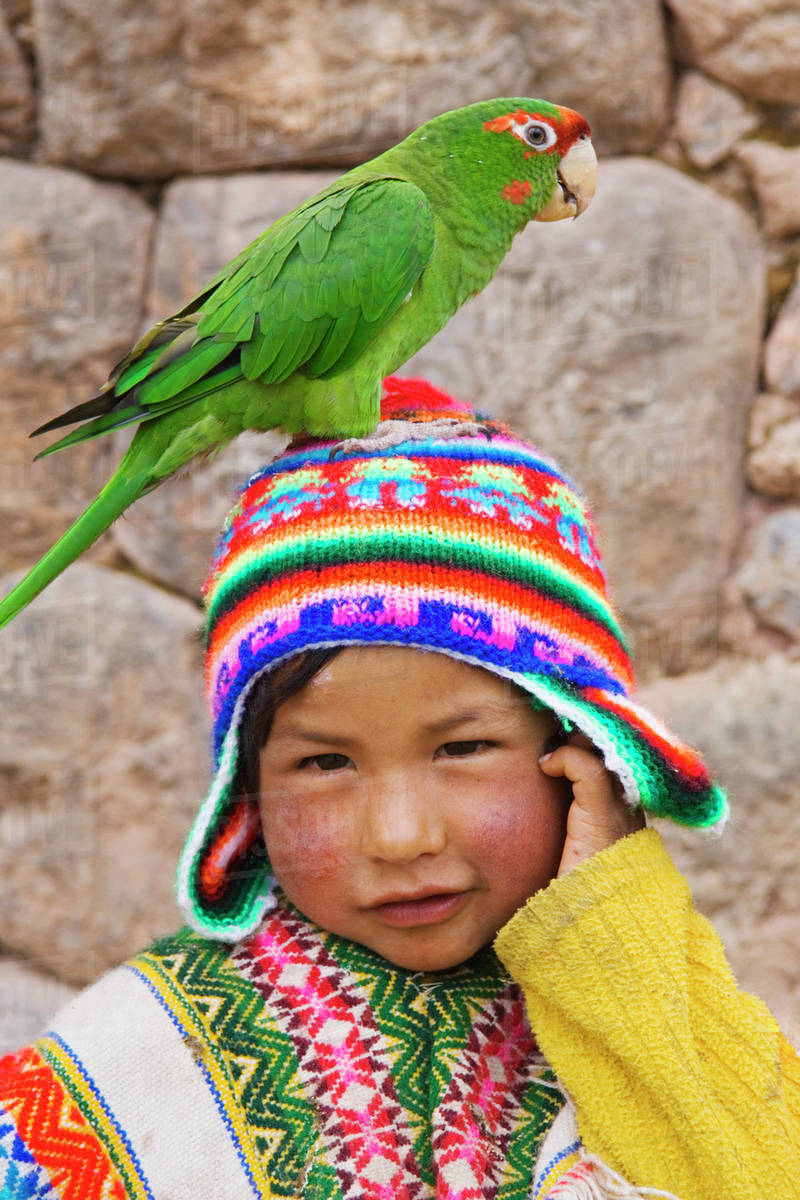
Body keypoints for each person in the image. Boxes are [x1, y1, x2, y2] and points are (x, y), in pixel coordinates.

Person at [1, 376, 797, 1200]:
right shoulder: (139, 1064)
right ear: (247, 793)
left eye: (463, 747)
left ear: (583, 752)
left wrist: (611, 911)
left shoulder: (653, 1011)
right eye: (325, 764)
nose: (400, 835)